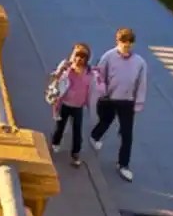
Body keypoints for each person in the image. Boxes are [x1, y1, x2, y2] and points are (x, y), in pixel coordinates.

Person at [90, 27, 147, 182]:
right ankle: (94, 137)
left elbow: (142, 83)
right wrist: (100, 93)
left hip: (127, 101)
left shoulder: (139, 62)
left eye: (129, 45)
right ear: (118, 42)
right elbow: (99, 76)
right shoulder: (108, 56)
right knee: (105, 121)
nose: (126, 48)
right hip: (109, 99)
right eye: (123, 44)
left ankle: (123, 164)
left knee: (127, 134)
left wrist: (138, 102)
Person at [49, 43, 95, 168]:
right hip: (64, 103)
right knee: (60, 126)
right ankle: (55, 143)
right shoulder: (67, 68)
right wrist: (60, 71)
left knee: (77, 130)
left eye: (82, 57)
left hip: (78, 106)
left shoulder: (89, 73)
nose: (78, 59)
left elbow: (92, 89)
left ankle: (75, 152)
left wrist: (89, 103)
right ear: (72, 56)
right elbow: (56, 79)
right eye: (76, 56)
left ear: (86, 59)